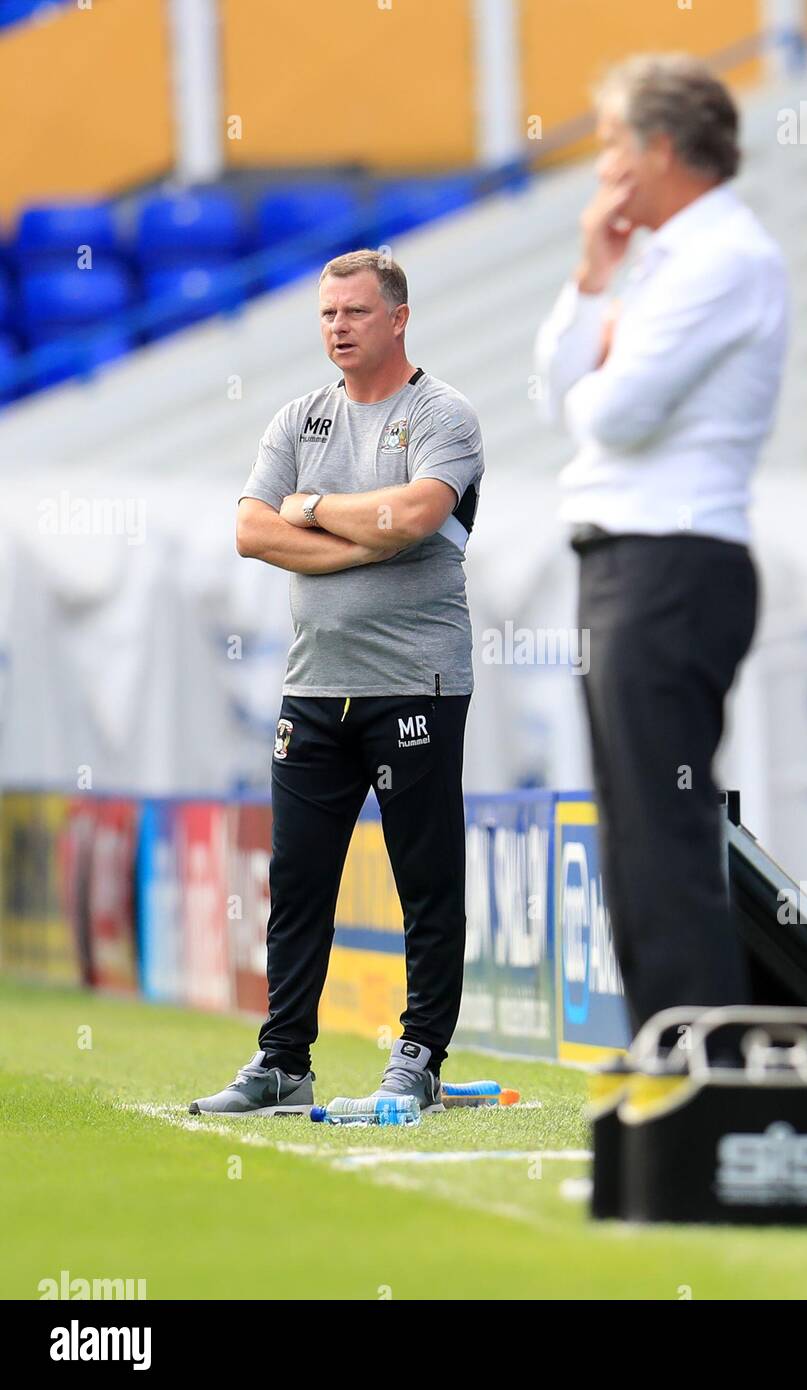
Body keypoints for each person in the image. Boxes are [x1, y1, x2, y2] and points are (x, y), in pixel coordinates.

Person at [190, 249, 483, 1116]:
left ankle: (420, 1054)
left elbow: (420, 513)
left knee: (425, 882)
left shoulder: (442, 413)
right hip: (315, 686)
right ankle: (284, 1060)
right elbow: (249, 529)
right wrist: (367, 537)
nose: (338, 328)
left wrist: (311, 509)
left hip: (415, 684)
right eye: (327, 314)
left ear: (398, 317)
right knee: (300, 880)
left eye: (355, 312)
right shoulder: (298, 419)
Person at [534, 54, 788, 1040]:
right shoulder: (662, 261)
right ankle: (671, 1050)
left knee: (664, 829)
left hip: (672, 564)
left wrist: (602, 360)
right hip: (627, 562)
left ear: (663, 149)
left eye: (610, 143)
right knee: (636, 830)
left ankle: (702, 1063)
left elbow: (614, 413)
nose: (601, 168)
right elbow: (565, 389)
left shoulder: (726, 257)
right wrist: (593, 278)